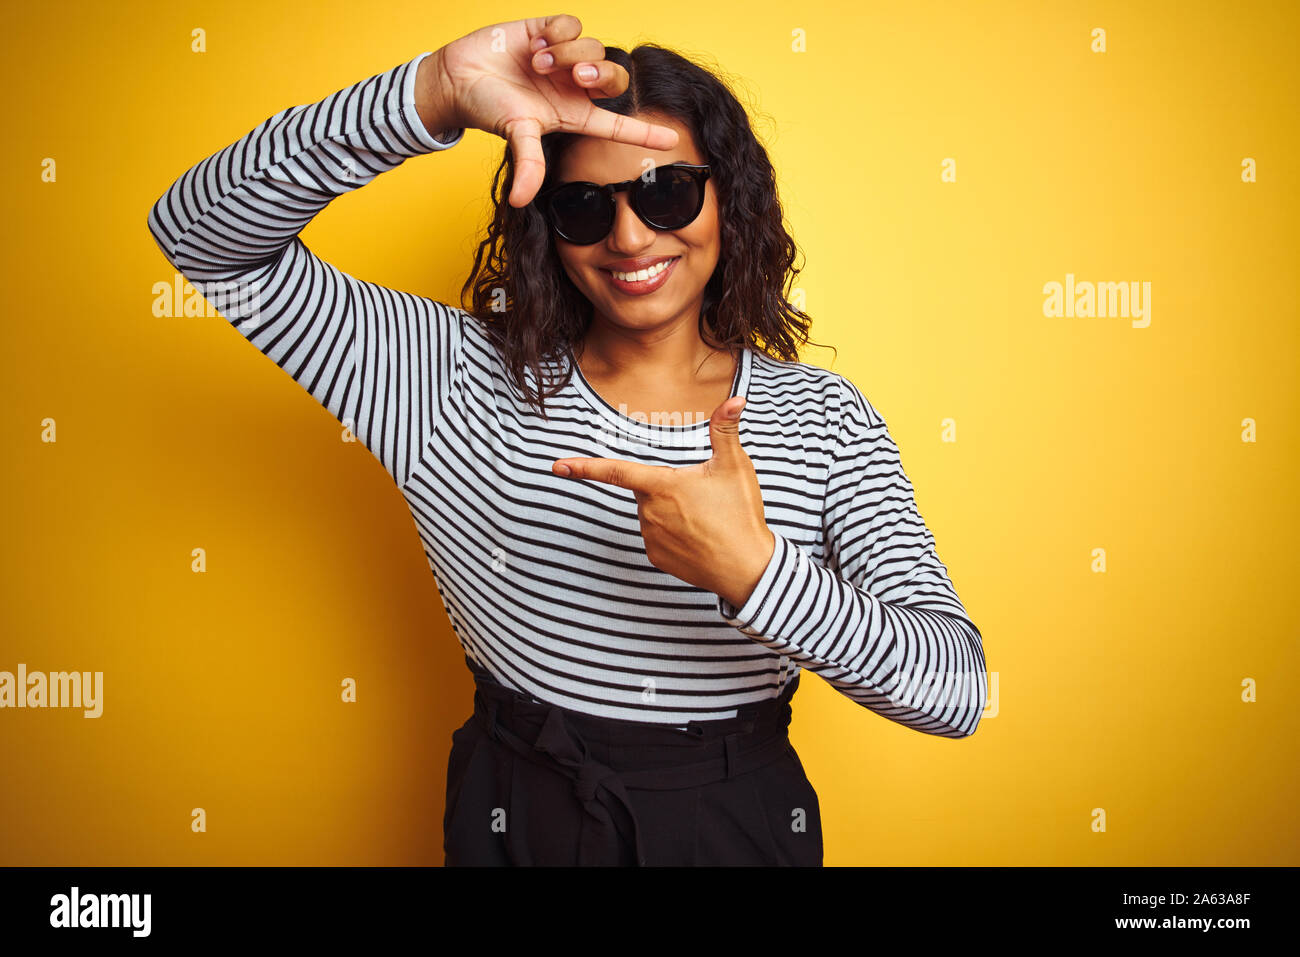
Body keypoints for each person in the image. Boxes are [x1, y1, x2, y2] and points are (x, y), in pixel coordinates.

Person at [146, 13, 988, 866]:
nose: (628, 238)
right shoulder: (444, 377)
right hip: (518, 807)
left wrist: (756, 574)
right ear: (545, 224)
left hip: (732, 819)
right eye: (584, 207)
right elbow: (200, 237)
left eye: (667, 192)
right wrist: (431, 92)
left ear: (728, 196)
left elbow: (957, 689)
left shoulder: (824, 421)